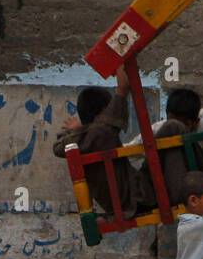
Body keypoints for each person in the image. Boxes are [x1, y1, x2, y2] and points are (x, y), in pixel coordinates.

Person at [52, 69, 144, 220]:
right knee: (172, 129)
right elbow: (107, 121)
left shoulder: (82, 139)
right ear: (102, 111)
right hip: (134, 200)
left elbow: (61, 144)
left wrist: (80, 129)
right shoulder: (100, 133)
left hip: (120, 203)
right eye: (106, 110)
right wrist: (121, 90)